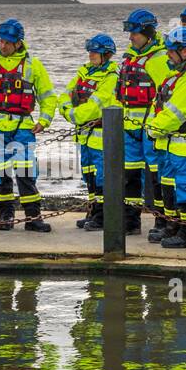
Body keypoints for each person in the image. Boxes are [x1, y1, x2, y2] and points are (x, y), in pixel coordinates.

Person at [0, 18, 59, 232]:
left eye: (8, 42)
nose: (3, 45)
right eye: (1, 41)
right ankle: (5, 217)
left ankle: (33, 218)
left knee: (27, 173)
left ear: (19, 43)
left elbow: (47, 95)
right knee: (1, 175)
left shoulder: (33, 65)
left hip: (23, 128)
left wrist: (44, 120)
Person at [145, 26, 186, 249]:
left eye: (171, 51)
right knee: (170, 185)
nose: (167, 56)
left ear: (185, 52)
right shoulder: (178, 76)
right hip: (172, 143)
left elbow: (175, 112)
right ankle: (173, 226)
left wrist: (152, 129)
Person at [116, 9, 170, 236]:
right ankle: (130, 221)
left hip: (151, 131)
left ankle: (162, 222)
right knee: (129, 177)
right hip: (129, 130)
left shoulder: (159, 61)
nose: (131, 37)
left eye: (135, 33)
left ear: (148, 33)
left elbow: (167, 96)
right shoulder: (129, 60)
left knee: (158, 177)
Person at [63, 34, 120, 230]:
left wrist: (72, 114)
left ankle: (103, 216)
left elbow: (96, 105)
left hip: (101, 137)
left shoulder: (111, 77)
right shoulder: (83, 73)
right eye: (90, 51)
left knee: (102, 177)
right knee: (88, 176)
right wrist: (68, 111)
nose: (91, 55)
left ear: (106, 54)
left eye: (95, 52)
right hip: (84, 137)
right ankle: (93, 211)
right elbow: (65, 94)